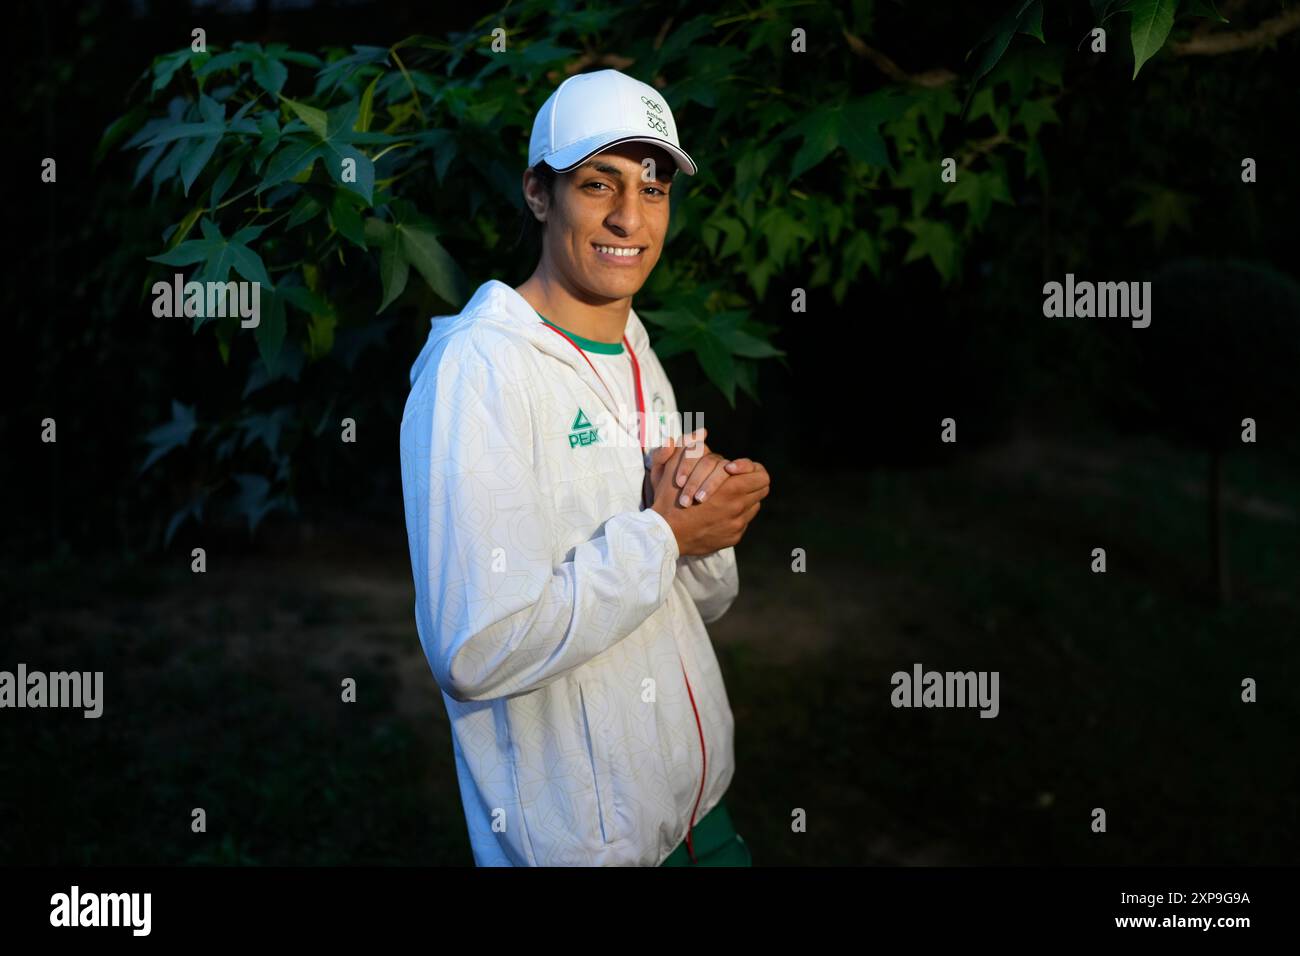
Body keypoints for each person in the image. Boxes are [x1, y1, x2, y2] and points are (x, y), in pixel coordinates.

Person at [399, 68, 770, 866]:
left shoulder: (635, 346)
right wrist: (664, 535)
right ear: (539, 193)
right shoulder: (479, 371)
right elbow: (475, 649)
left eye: (653, 187)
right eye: (598, 183)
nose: (630, 218)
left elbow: (694, 604)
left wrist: (709, 519)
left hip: (703, 819)